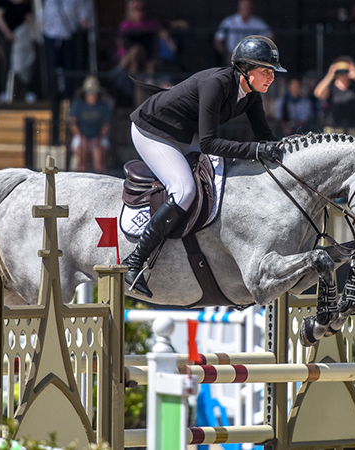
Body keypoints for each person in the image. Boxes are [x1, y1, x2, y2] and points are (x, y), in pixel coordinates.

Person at [125, 35, 286, 297]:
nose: (272, 77)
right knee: (184, 190)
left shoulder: (251, 95)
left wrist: (286, 151)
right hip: (153, 131)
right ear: (245, 68)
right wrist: (257, 151)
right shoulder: (217, 84)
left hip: (184, 134)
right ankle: (134, 263)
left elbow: (265, 137)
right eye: (266, 70)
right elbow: (211, 143)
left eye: (273, 72)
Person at [41, 0, 90, 98]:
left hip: (69, 36)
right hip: (51, 36)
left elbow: (83, 14)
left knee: (69, 66)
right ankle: (53, 95)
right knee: (52, 67)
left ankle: (69, 94)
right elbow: (43, 14)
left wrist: (83, 22)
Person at [313, 57, 355, 134]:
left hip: (351, 128)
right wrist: (330, 75)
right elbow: (318, 93)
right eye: (341, 73)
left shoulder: (354, 87)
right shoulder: (331, 88)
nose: (344, 75)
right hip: (333, 128)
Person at [0, 0, 34, 103]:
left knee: (24, 65)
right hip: (6, 37)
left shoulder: (25, 5)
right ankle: (4, 92)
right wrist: (8, 33)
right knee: (7, 63)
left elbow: (29, 20)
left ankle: (26, 92)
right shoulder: (4, 3)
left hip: (20, 39)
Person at [68, 76, 112, 173]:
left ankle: (100, 176)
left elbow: (106, 126)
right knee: (82, 151)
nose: (92, 95)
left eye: (94, 92)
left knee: (99, 152)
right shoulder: (78, 104)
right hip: (80, 135)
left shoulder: (103, 105)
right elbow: (73, 124)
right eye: (89, 92)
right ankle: (81, 173)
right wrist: (82, 137)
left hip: (99, 136)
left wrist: (99, 138)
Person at [214, 0, 272, 66]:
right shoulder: (229, 22)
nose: (247, 10)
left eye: (249, 7)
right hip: (233, 57)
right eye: (245, 7)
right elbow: (218, 40)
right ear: (239, 8)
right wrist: (226, 54)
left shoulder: (258, 23)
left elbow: (270, 36)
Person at [115, 0, 161, 76]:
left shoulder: (151, 24)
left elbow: (163, 28)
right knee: (135, 54)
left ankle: (120, 71)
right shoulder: (126, 25)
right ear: (131, 11)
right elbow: (120, 42)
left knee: (138, 50)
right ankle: (132, 78)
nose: (140, 12)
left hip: (146, 55)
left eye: (142, 9)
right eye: (136, 9)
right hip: (127, 55)